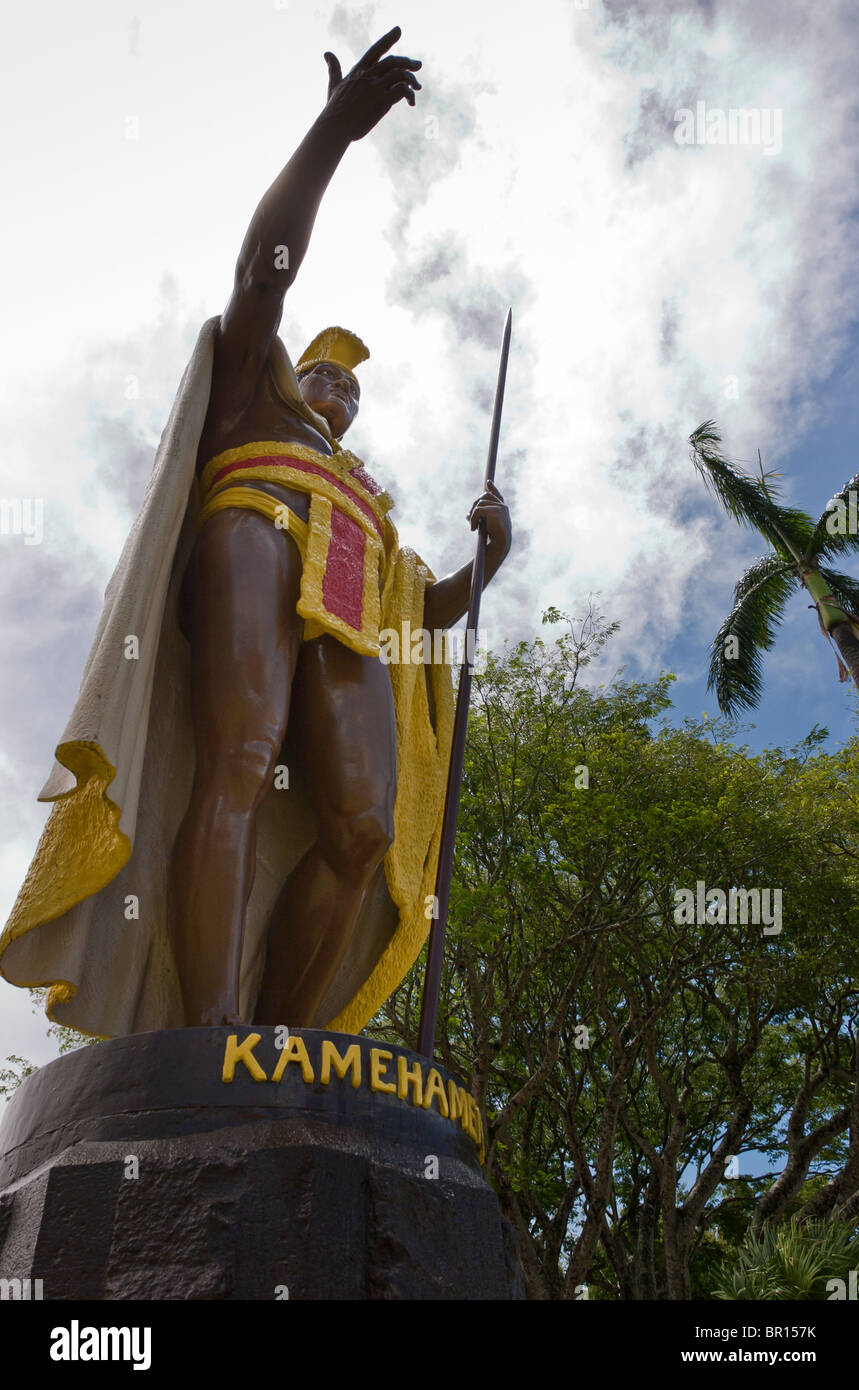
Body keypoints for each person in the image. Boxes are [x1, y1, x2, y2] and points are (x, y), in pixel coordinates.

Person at [0, 27, 511, 1038]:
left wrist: (487, 560)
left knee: (362, 830)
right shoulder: (251, 399)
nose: (335, 388)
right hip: (253, 539)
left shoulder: (370, 507)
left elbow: (427, 605)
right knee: (237, 762)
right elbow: (262, 273)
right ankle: (211, 1038)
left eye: (351, 386)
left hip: (350, 614)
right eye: (323, 372)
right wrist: (330, 136)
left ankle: (286, 1046)